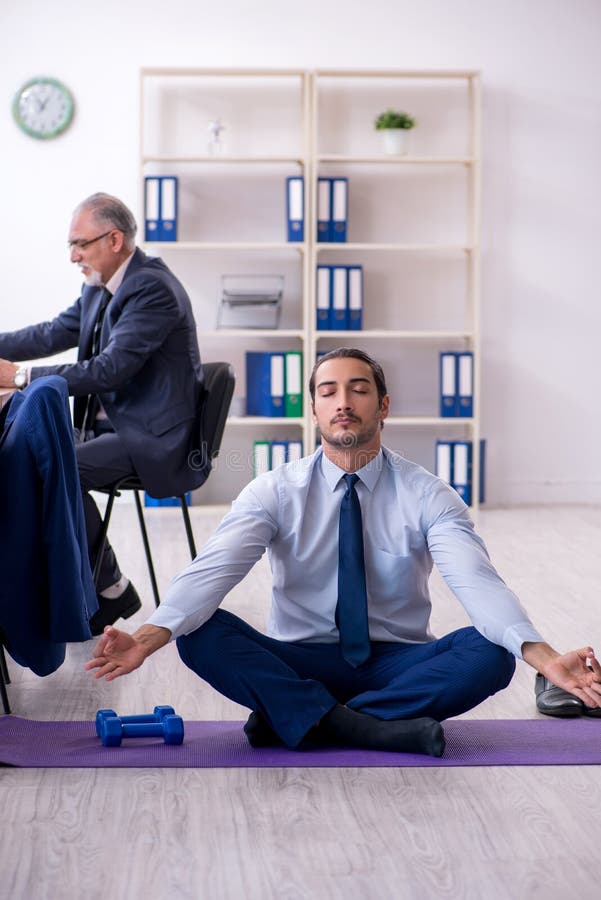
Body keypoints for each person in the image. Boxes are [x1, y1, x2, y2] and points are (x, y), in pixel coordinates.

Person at [85, 348, 601, 756]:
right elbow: (212, 572)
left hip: (396, 663)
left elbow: (478, 584)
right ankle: (371, 727)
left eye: (359, 389)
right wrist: (148, 637)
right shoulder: (274, 490)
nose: (343, 402)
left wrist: (545, 657)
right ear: (313, 410)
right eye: (328, 392)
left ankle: (301, 716)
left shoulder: (429, 494)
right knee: (198, 632)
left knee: (490, 654)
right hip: (299, 658)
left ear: (384, 405)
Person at [0, 193, 207, 635]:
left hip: (152, 437)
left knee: (54, 467)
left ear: (114, 239)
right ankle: (99, 587)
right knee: (34, 455)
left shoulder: (152, 288)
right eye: (70, 246)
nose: (73, 256)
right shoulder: (99, 286)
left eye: (80, 244)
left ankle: (103, 590)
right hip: (112, 428)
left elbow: (109, 370)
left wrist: (18, 377)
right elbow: (52, 333)